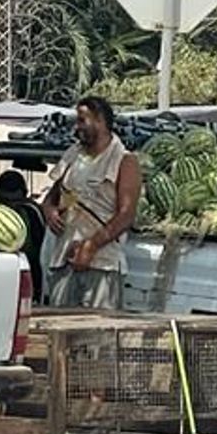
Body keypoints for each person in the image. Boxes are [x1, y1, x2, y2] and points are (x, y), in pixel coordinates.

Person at [39, 96, 141, 310]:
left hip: (102, 266)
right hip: (64, 261)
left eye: (82, 120)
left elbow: (126, 215)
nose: (77, 127)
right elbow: (52, 197)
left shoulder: (124, 161)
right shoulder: (73, 155)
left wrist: (91, 246)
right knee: (61, 334)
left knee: (96, 338)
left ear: (101, 122)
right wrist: (49, 211)